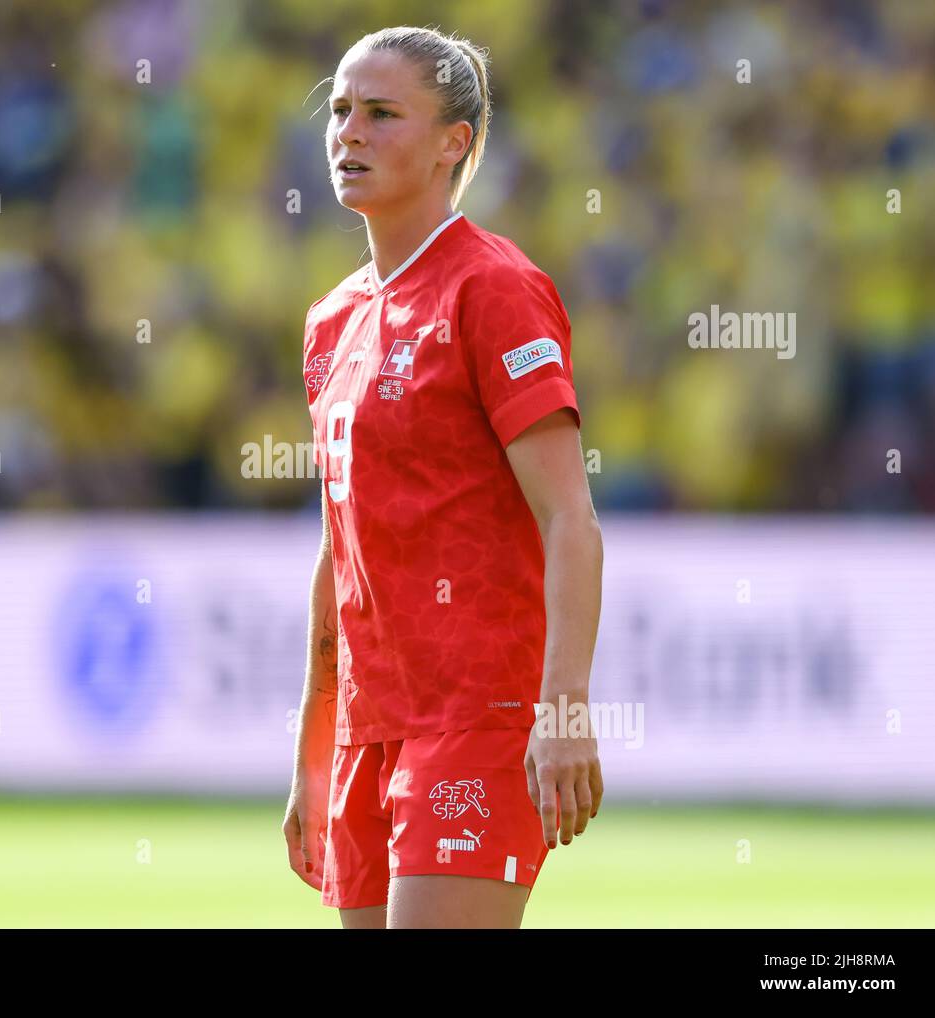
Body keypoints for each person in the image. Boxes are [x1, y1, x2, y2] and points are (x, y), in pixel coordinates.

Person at [282, 26, 605, 929]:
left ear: (453, 142)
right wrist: (315, 753)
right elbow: (338, 548)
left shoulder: (493, 289)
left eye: (382, 114)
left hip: (476, 715)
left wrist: (565, 712)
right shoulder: (331, 322)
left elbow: (570, 519)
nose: (349, 132)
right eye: (341, 111)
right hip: (367, 729)